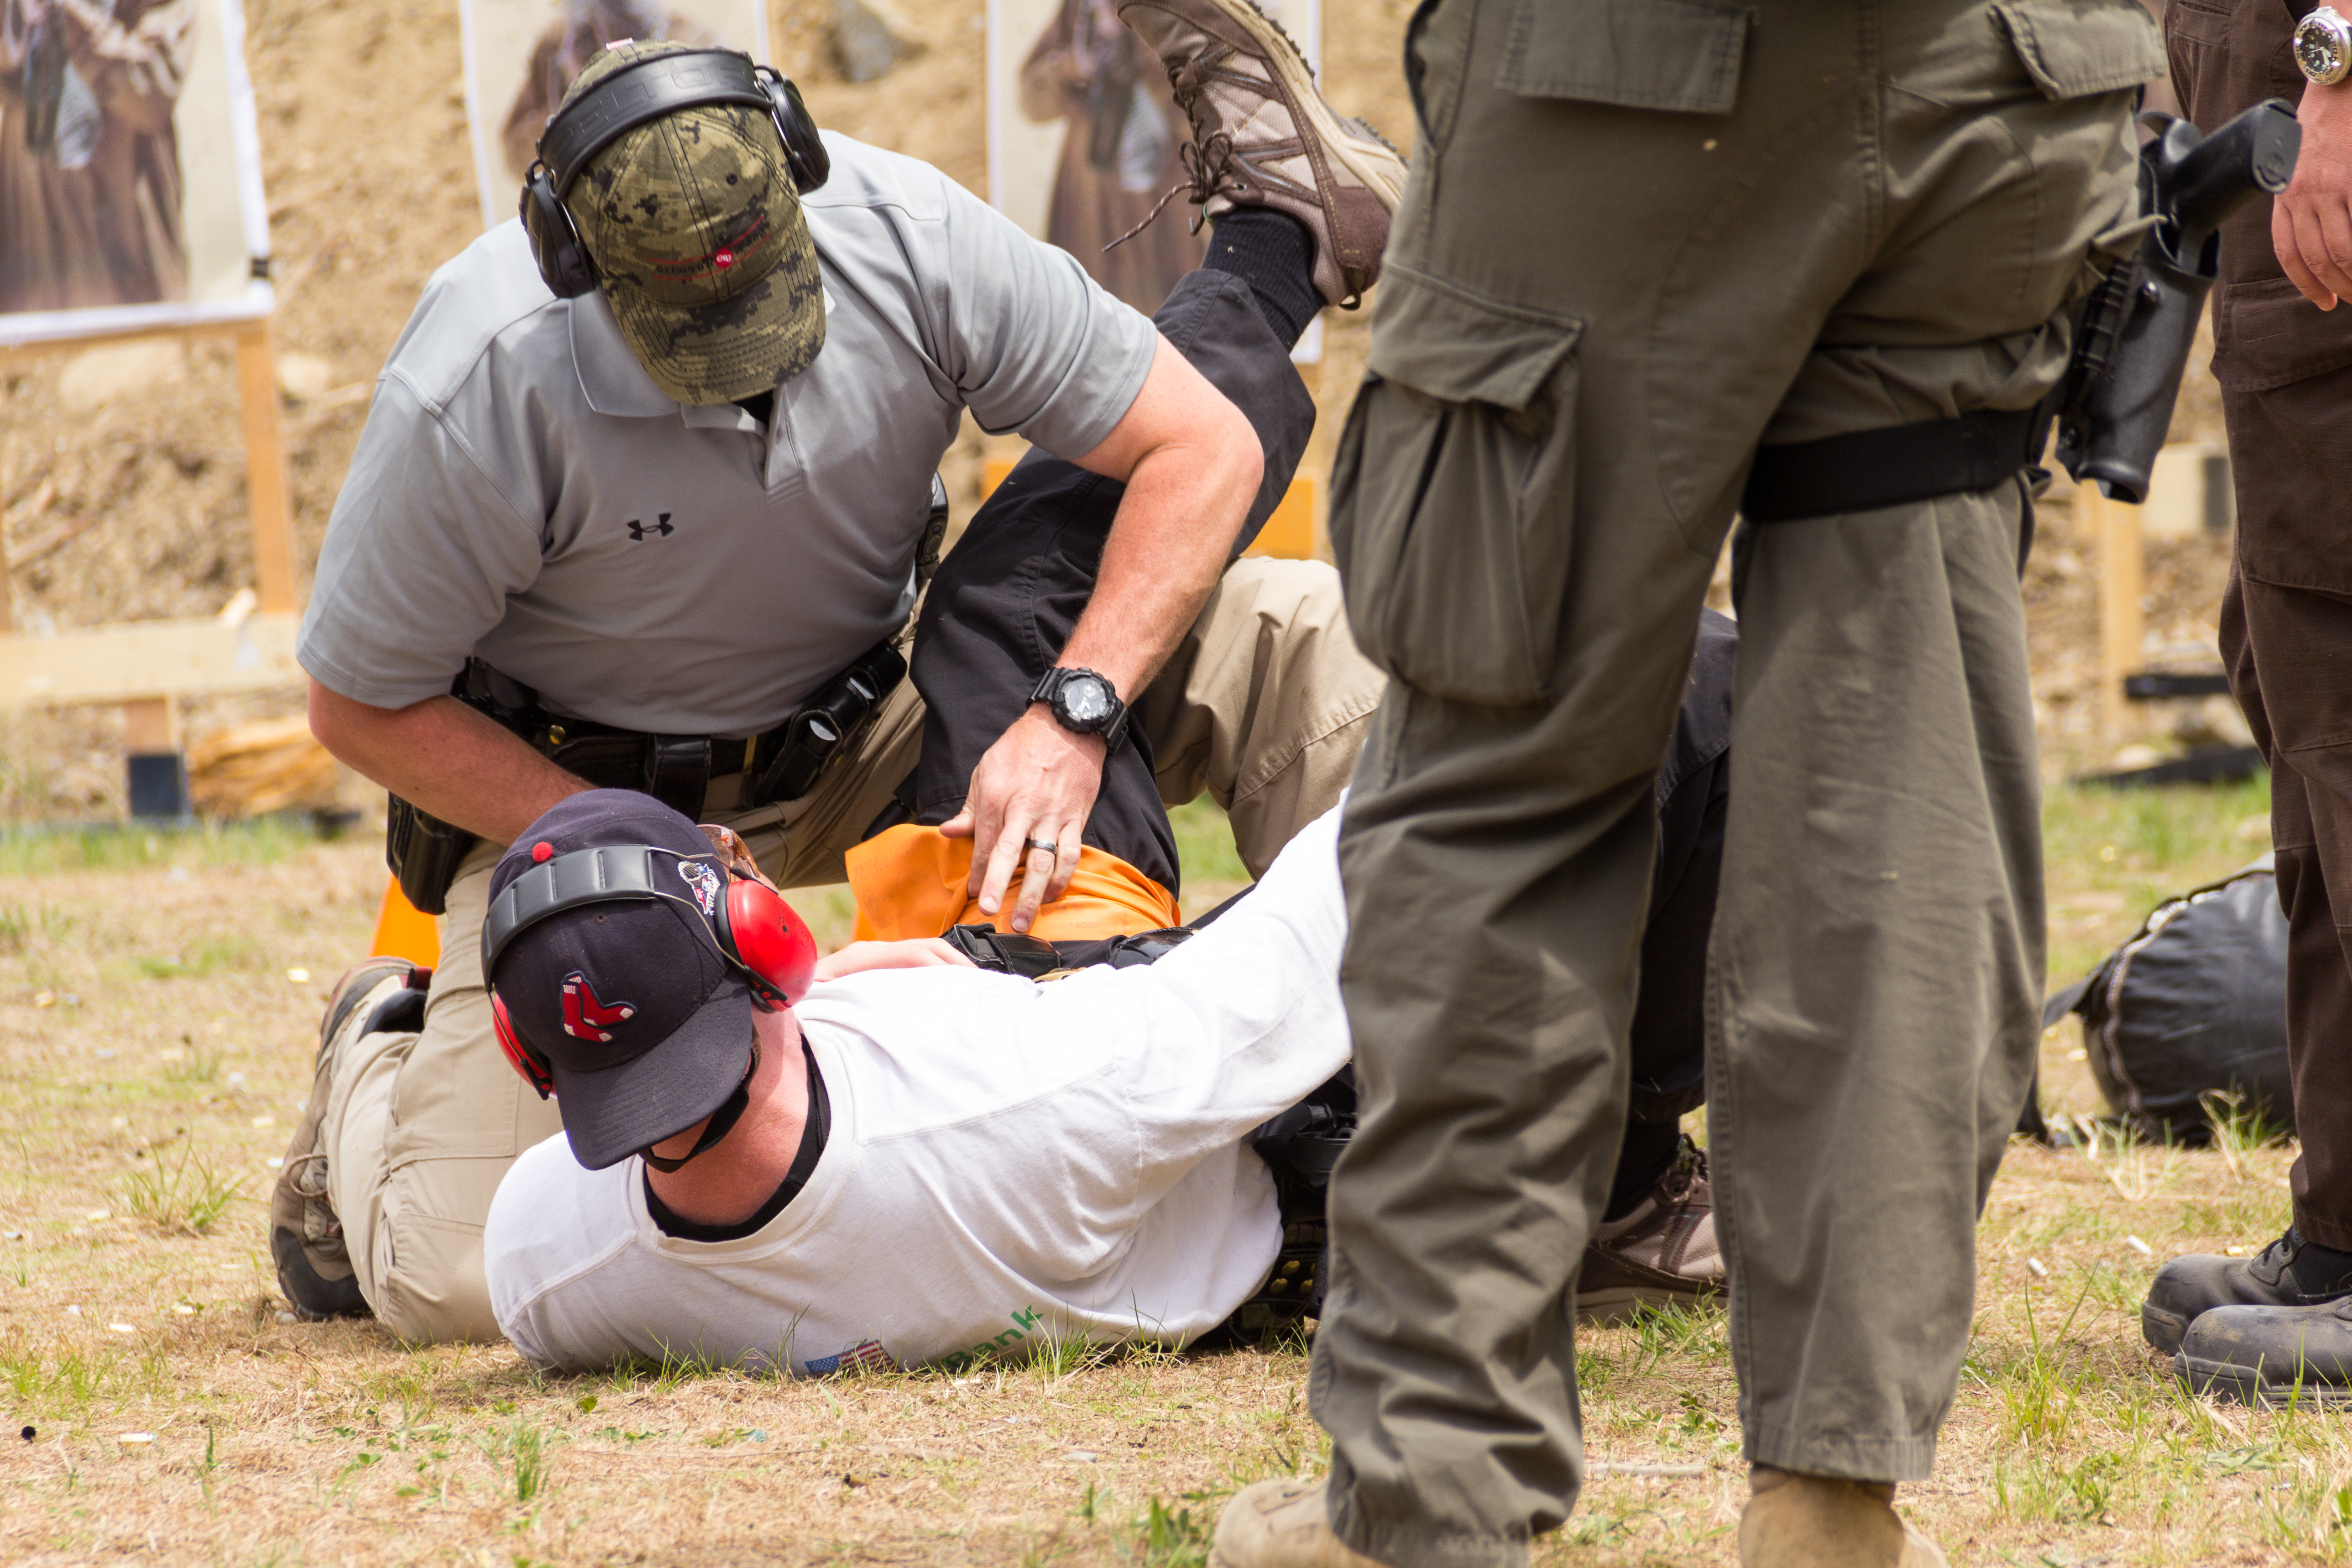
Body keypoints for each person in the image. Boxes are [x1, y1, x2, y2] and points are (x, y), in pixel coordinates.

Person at [1191, 2, 2166, 1566]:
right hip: (2007, 62)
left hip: (1636, 68)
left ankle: (1432, 1489)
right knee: (1897, 776)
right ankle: (1831, 1497)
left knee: (1504, 782)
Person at [275, 30, 1406, 1344]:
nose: (747, 362)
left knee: (1322, 653)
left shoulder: (907, 234)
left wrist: (1076, 706)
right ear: (572, 260)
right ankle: (373, 1051)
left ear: (799, 178)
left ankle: (1454, 1082)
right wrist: (636, 848)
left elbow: (1200, 445)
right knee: (459, 1279)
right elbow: (360, 703)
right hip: (583, 794)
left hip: (877, 719)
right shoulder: (474, 378)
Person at [2148, 0, 2352, 1402]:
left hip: (2322, 93)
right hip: (2263, 113)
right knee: (2305, 697)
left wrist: (2342, 65)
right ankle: (2340, 1227)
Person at [0, 0, 193, 313]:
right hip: (36, 217)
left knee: (135, 328)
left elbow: (155, 95)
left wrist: (79, 22)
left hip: (124, 214)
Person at [1019, 0, 1205, 312]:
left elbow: (1209, 98)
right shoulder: (1080, 10)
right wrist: (1072, 66)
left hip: (1158, 199)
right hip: (1089, 202)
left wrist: (1146, 53)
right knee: (1085, 314)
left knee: (1167, 318)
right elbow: (1032, 101)